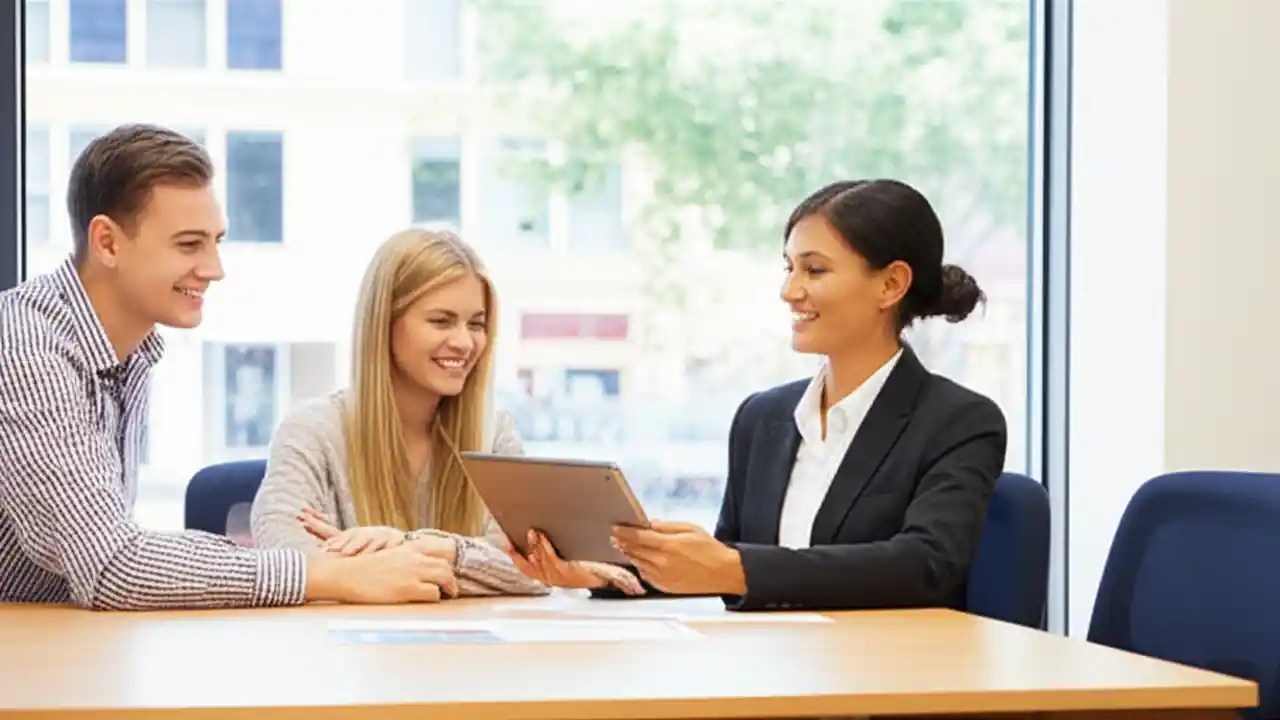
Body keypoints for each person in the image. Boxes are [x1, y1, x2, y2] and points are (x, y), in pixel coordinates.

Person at [0, 124, 456, 609]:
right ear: (108, 243)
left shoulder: (126, 352)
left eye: (216, 241)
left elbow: (106, 550)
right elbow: (114, 567)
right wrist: (328, 573)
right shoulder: (28, 348)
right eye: (189, 244)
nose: (215, 268)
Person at [507, 178, 1007, 611]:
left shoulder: (958, 421)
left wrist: (732, 567)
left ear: (891, 284)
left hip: (880, 687)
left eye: (814, 270)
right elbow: (726, 561)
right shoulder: (763, 417)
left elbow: (924, 564)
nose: (789, 290)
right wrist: (603, 573)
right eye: (787, 267)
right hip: (765, 672)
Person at [250, 229, 643, 597]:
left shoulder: (494, 433)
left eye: (476, 324)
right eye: (440, 321)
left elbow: (534, 571)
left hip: (468, 659)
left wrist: (411, 548)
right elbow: (285, 566)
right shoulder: (312, 432)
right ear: (384, 325)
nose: (464, 342)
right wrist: (475, 562)